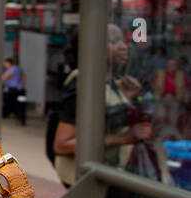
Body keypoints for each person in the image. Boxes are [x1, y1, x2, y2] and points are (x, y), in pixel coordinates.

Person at [52, 23, 151, 186]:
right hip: (86, 182)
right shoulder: (83, 85)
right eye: (114, 41)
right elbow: (61, 145)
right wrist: (124, 138)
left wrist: (127, 98)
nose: (123, 47)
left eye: (123, 40)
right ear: (92, 46)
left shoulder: (108, 82)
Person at [2, 56, 26, 125]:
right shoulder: (16, 69)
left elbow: (5, 77)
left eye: (5, 63)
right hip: (17, 89)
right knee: (15, 103)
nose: (4, 64)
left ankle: (14, 115)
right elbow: (23, 77)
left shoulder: (13, 69)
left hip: (14, 90)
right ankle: (16, 115)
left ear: (9, 63)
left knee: (14, 103)